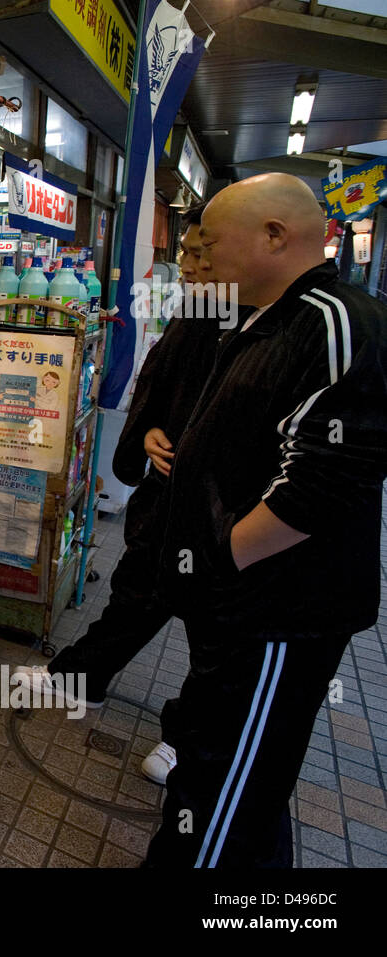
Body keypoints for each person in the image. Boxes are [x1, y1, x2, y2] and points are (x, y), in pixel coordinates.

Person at [145, 173, 387, 868]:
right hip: (238, 611)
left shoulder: (336, 322)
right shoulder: (263, 314)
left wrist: (225, 556)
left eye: (211, 243)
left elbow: (322, 478)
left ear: (276, 236)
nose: (199, 257)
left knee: (227, 792)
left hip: (276, 616)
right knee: (227, 773)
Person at [12, 204, 225, 783]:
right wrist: (151, 429)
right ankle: (82, 679)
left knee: (217, 638)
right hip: (165, 497)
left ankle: (190, 739)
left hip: (226, 515)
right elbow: (164, 386)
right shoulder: (197, 308)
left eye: (200, 252)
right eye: (186, 249)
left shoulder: (282, 325)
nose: (187, 262)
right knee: (135, 596)